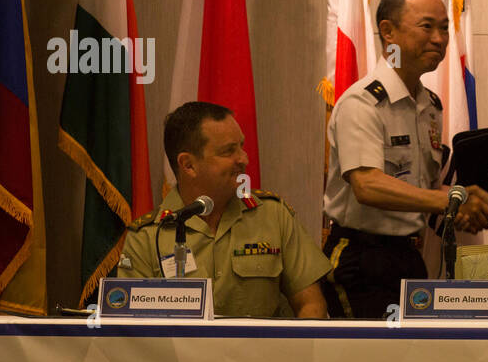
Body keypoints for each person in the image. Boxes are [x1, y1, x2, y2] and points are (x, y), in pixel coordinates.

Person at [322, 0, 488, 318]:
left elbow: (423, 190)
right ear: (387, 32)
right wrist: (450, 201)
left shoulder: (429, 105)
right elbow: (367, 185)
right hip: (360, 259)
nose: (439, 38)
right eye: (427, 26)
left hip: (407, 256)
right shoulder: (363, 103)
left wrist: (468, 206)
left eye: (445, 28)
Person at [119, 102, 330, 318]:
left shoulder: (273, 216)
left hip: (262, 352)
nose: (244, 159)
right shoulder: (147, 236)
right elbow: (131, 328)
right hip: (181, 352)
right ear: (188, 165)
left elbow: (311, 305)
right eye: (229, 151)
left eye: (241, 146)